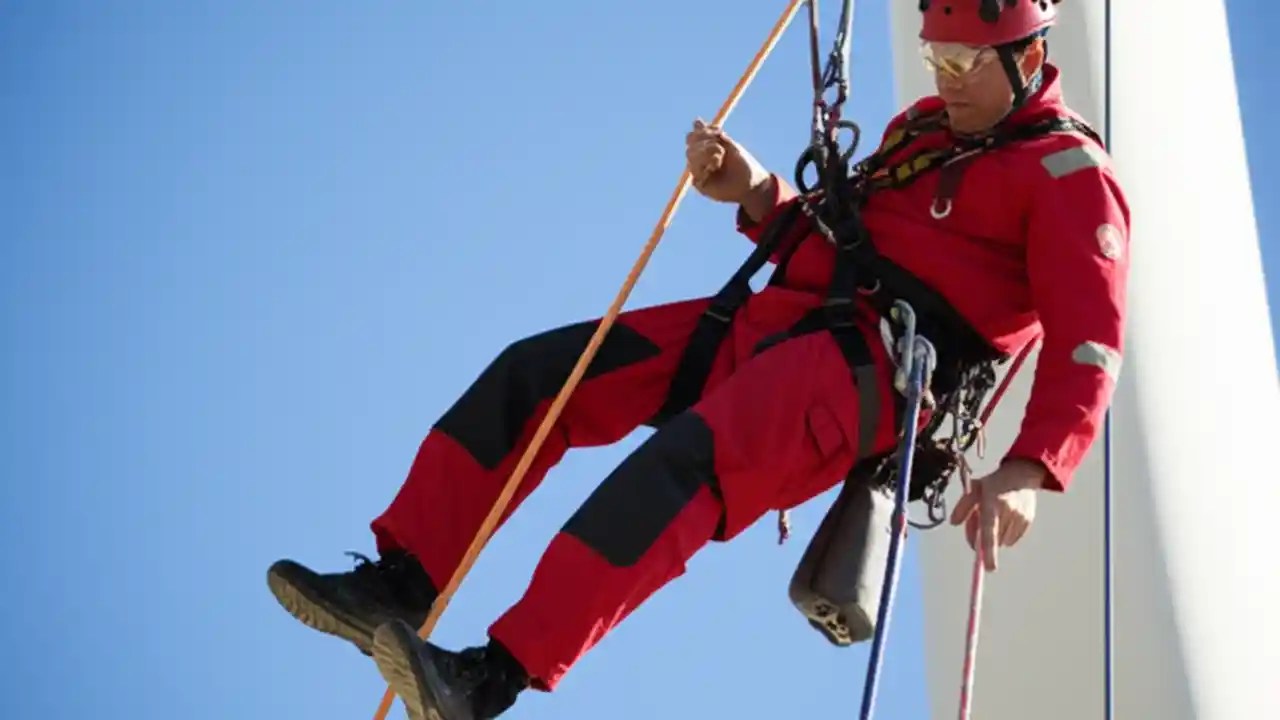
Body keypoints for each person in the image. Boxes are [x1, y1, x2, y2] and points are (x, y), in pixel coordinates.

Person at [266, 1, 1130, 718]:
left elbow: (1089, 342)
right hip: (775, 324)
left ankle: (489, 678)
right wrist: (758, 194)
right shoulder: (925, 129)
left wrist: (1030, 468)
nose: (946, 78)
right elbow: (847, 243)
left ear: (1029, 55)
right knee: (540, 374)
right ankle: (403, 578)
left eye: (966, 62)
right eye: (937, 57)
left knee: (673, 474)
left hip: (858, 378)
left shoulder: (1069, 176)